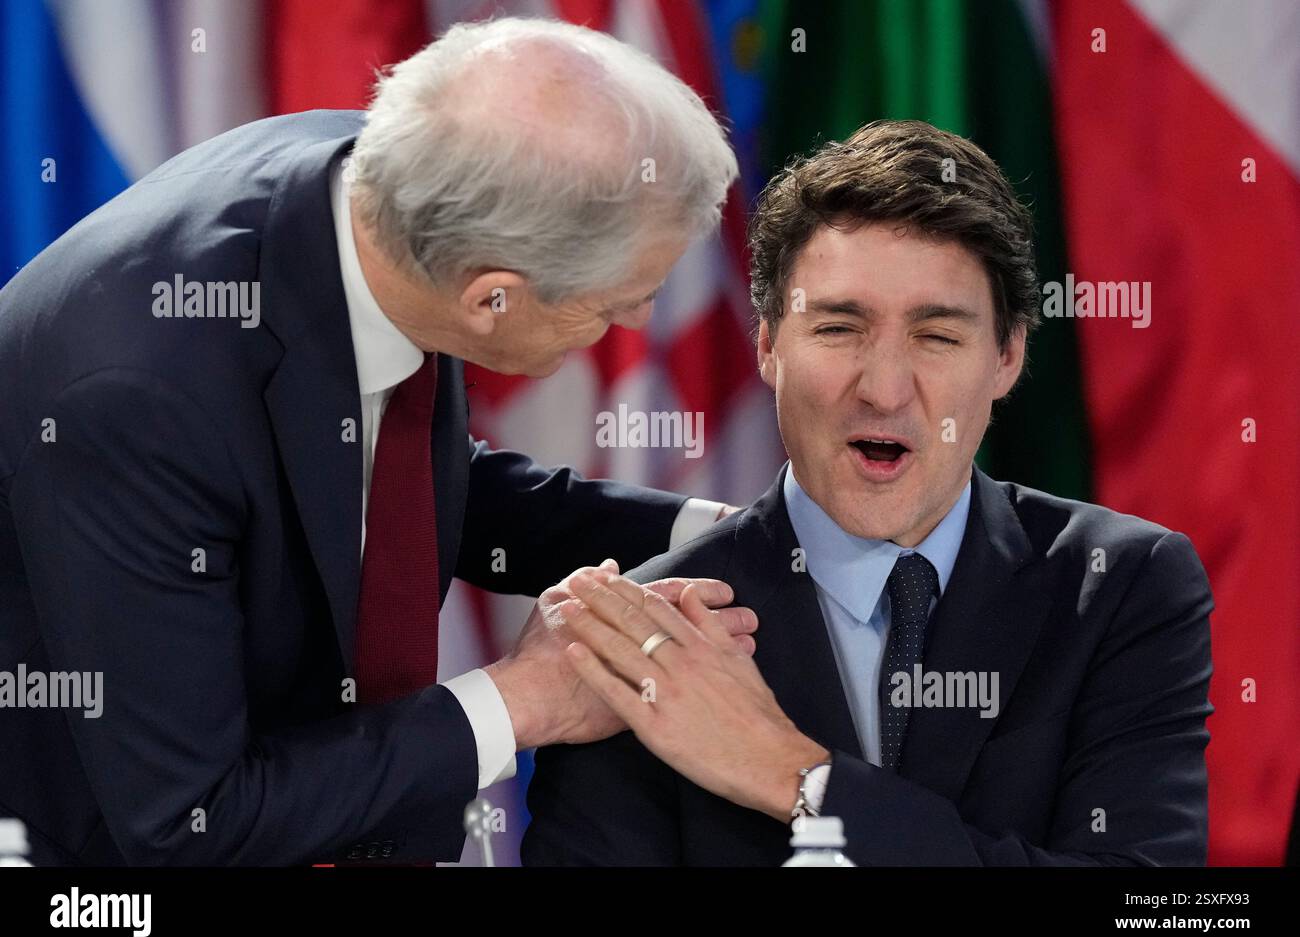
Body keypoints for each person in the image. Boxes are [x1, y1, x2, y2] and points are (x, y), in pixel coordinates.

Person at [0, 17, 757, 865]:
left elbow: (396, 485)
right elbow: (192, 822)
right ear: (491, 299)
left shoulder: (401, 197)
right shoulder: (137, 403)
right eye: (616, 301)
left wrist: (736, 533)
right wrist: (523, 700)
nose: (641, 319)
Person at [522, 119, 1215, 866]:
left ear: (1008, 356)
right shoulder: (649, 631)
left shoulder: (1120, 587)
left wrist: (789, 771)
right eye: (839, 328)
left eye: (937, 336)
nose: (884, 390)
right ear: (766, 344)